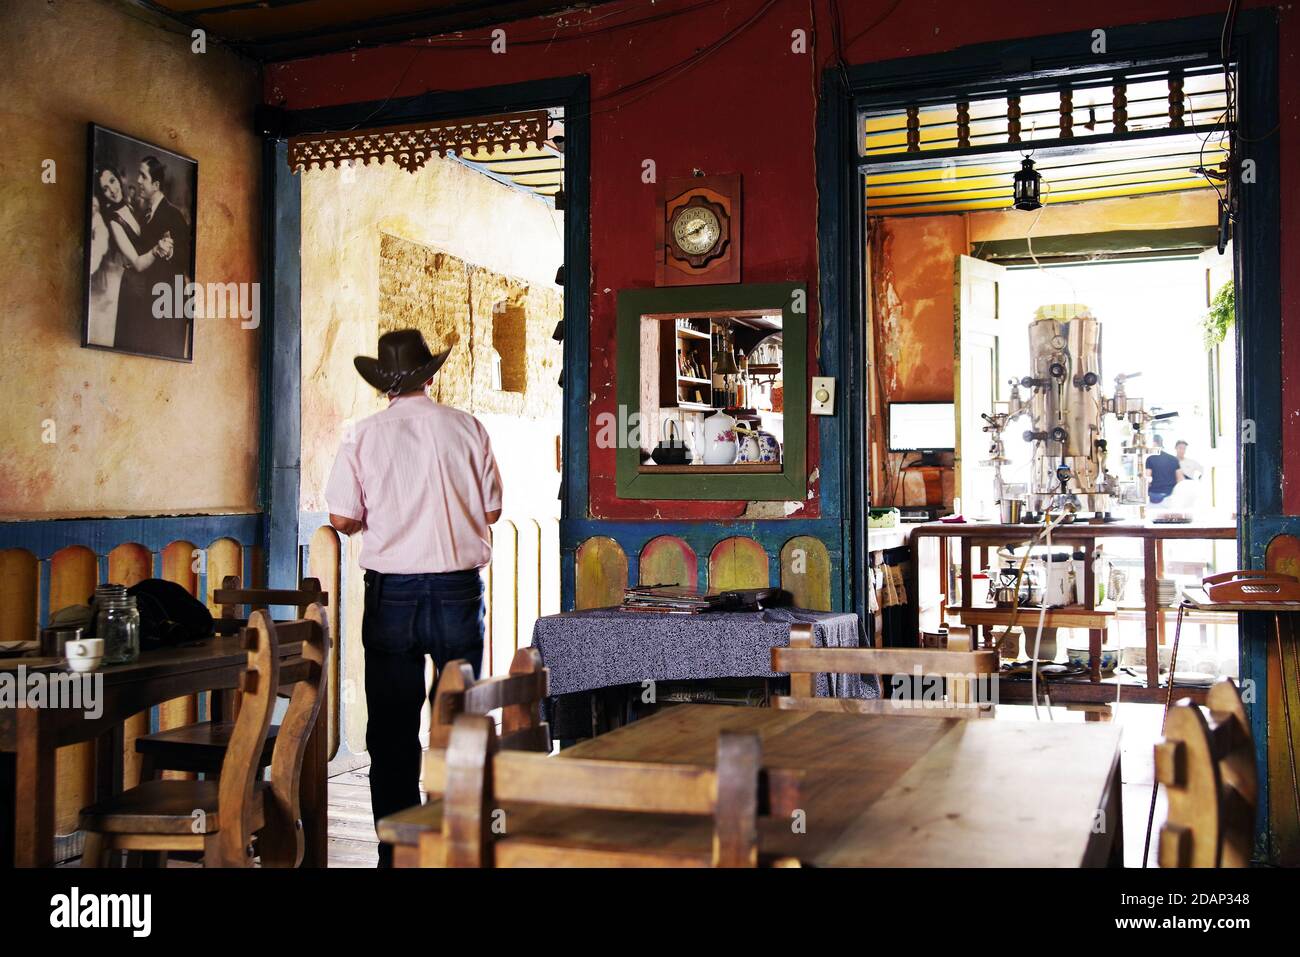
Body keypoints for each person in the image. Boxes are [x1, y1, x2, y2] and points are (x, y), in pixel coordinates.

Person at [325, 329, 502, 868]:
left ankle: (397, 849)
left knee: (392, 729)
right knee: (457, 722)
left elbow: (342, 518)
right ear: (432, 375)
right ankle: (454, 843)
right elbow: (492, 511)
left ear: (385, 385)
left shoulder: (362, 437)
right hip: (455, 591)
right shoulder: (468, 427)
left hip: (393, 594)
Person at [112, 157, 191, 359]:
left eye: (143, 176)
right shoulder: (144, 214)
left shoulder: (173, 215)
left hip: (166, 310)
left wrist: (170, 251)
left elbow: (186, 258)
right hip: (150, 305)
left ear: (155, 185)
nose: (138, 181)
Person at [1145, 435, 1183, 504]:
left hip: (1154, 495)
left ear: (1154, 443)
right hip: (1170, 495)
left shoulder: (1150, 459)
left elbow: (1147, 479)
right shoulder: (1174, 459)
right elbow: (1180, 480)